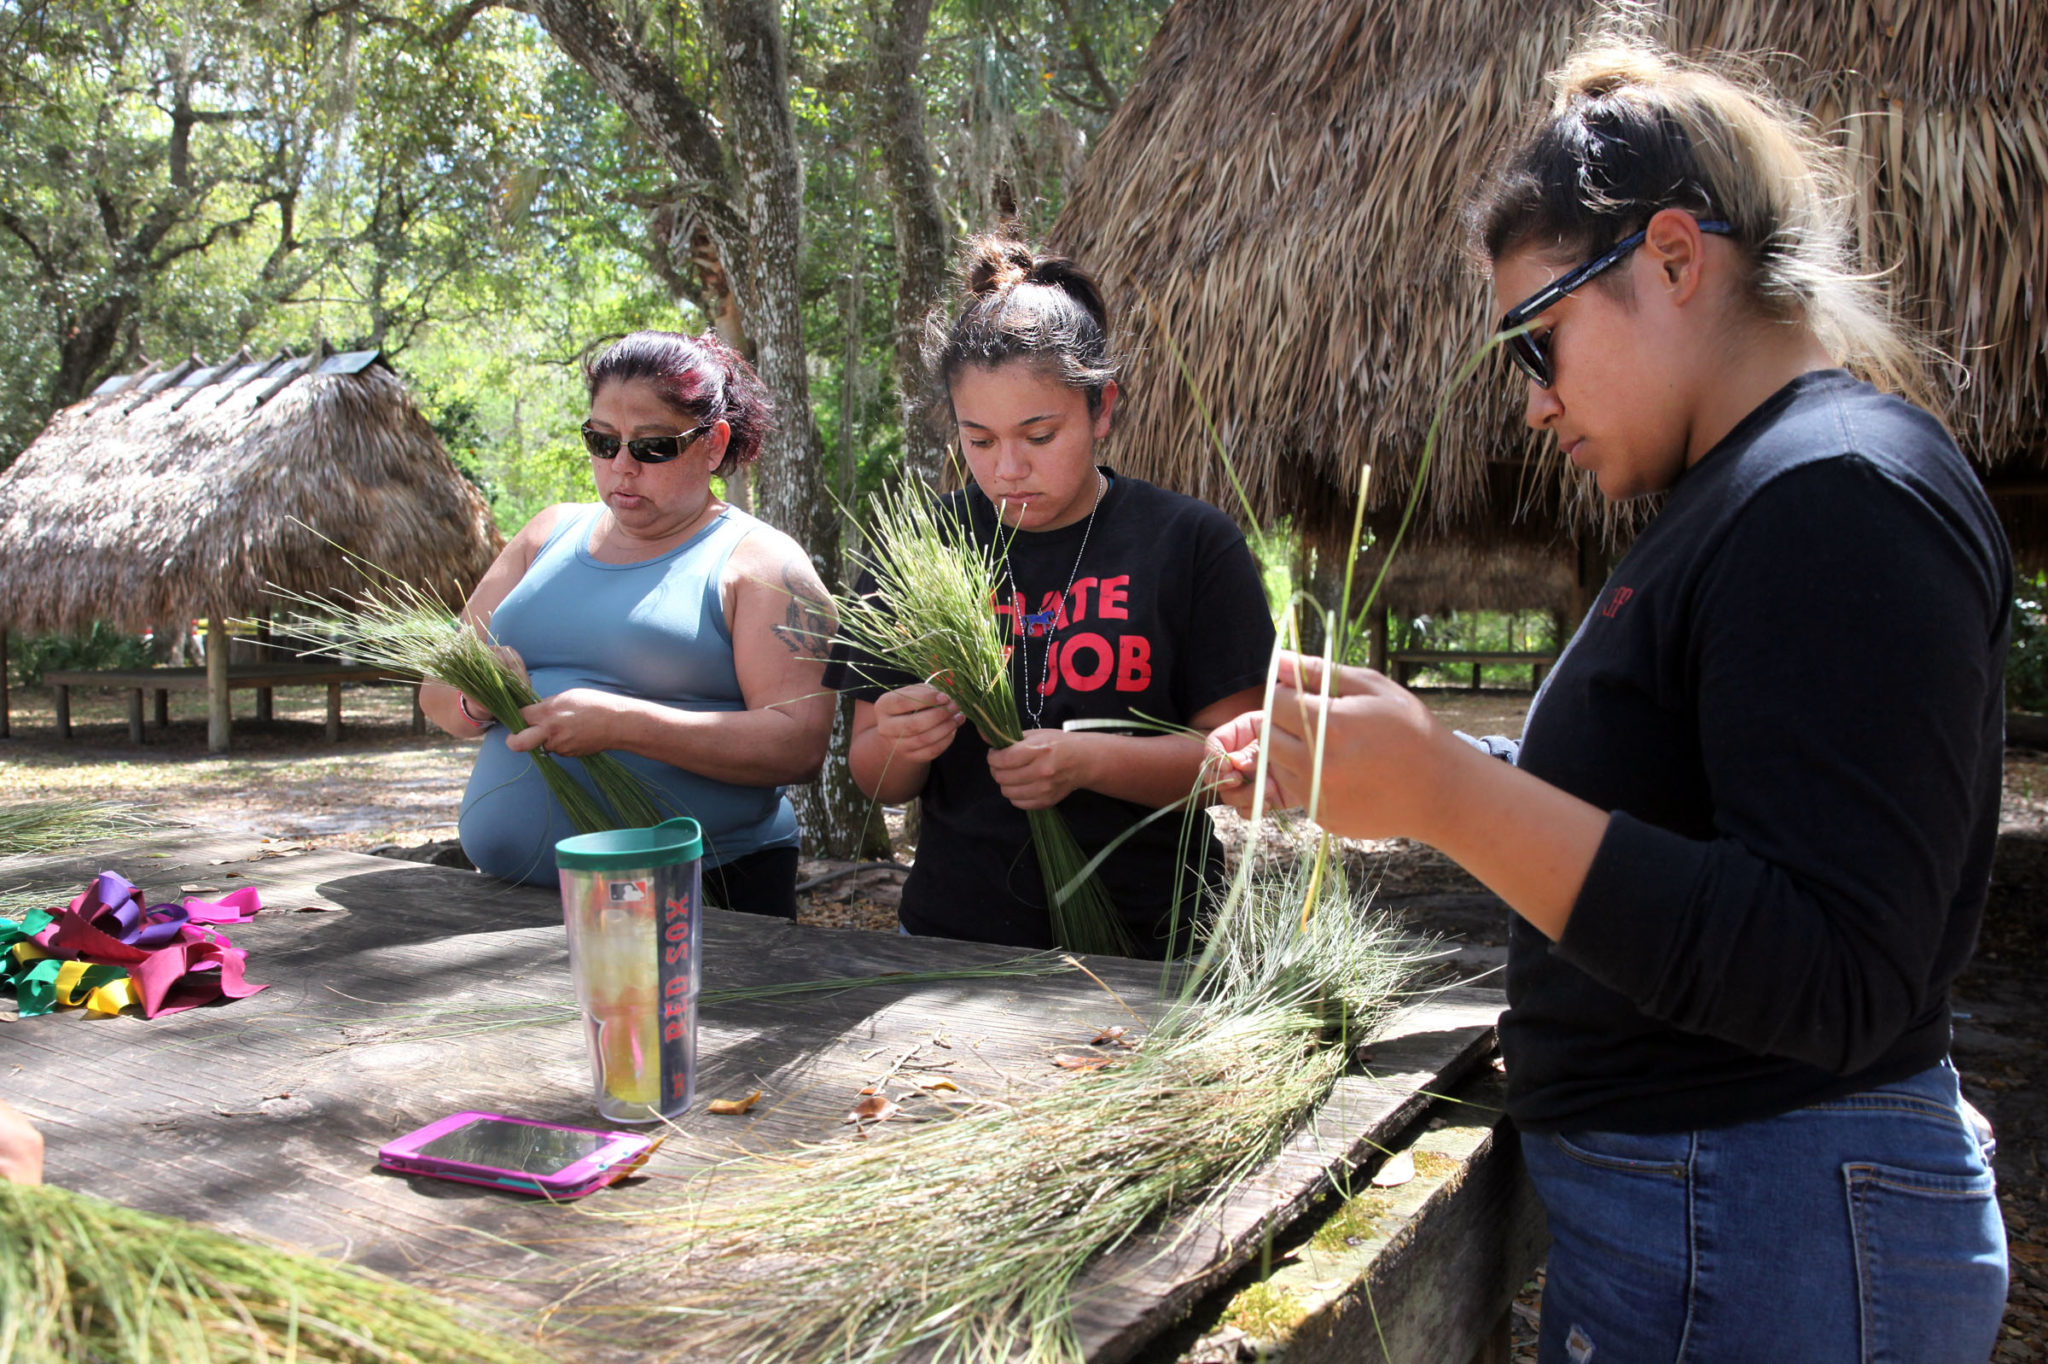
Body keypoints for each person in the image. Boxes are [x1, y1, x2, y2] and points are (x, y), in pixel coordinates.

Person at [1208, 30, 2010, 1364]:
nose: (1533, 403)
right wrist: (1404, 765)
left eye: (1541, 340)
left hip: (1769, 1227)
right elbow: (1669, 808)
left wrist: (1448, 794)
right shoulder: (1744, 496)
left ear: (1674, 259)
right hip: (1721, 1219)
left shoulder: (1835, 494)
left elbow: (1833, 967)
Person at [826, 237, 1275, 958]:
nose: (1008, 469)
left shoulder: (1190, 543)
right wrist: (903, 743)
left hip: (1156, 944)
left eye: (1039, 435)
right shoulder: (919, 548)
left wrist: (1089, 761)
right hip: (950, 939)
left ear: (1102, 408)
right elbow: (874, 775)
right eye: (979, 440)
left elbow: (1238, 764)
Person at [420, 331, 835, 917]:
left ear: (714, 444)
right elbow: (435, 690)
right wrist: (479, 698)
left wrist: (624, 726)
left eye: (653, 446)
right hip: (509, 902)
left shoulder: (765, 565)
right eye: (601, 441)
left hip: (704, 894)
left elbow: (799, 744)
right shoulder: (546, 533)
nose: (621, 466)